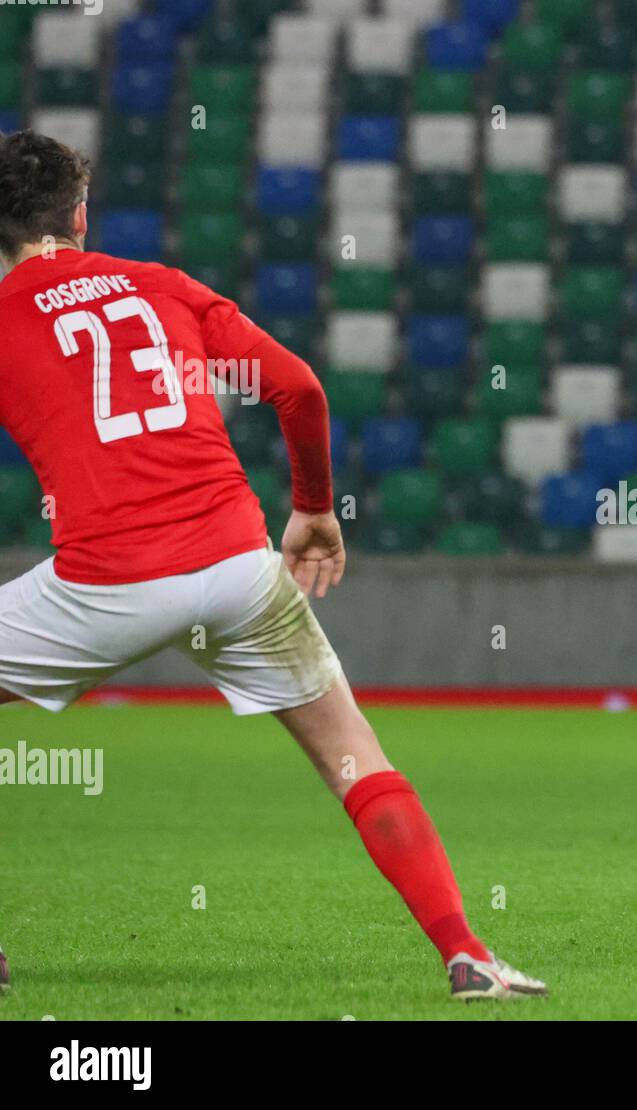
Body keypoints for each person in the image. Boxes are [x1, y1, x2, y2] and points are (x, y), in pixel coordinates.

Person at [0, 130, 544, 1001]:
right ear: (80, 213)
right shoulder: (162, 286)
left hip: (105, 583)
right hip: (238, 566)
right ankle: (468, 953)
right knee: (354, 758)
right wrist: (316, 508)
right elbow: (298, 387)